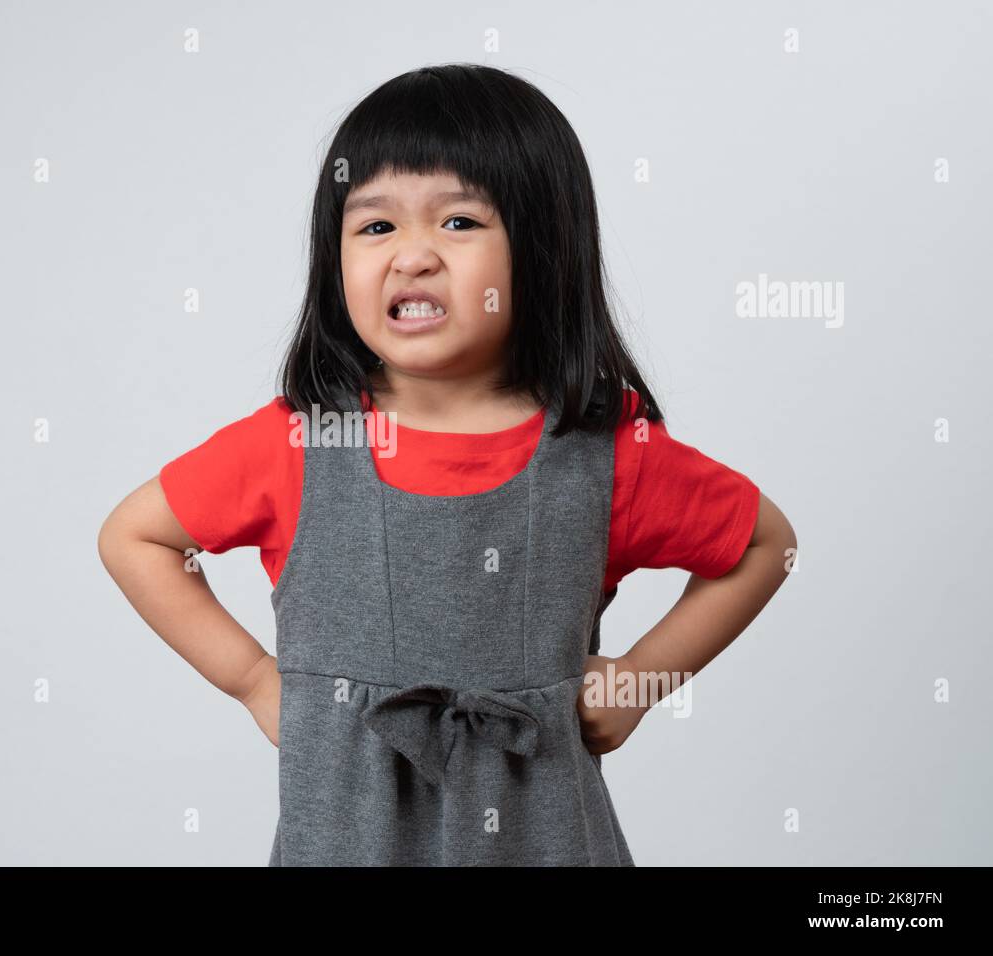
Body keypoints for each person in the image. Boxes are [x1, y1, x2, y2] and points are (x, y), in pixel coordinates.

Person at [98, 63, 797, 866]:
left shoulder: (602, 455)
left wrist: (639, 681)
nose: (413, 256)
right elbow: (134, 537)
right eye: (375, 227)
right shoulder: (299, 445)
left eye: (459, 223)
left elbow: (762, 547)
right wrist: (255, 679)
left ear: (542, 248)